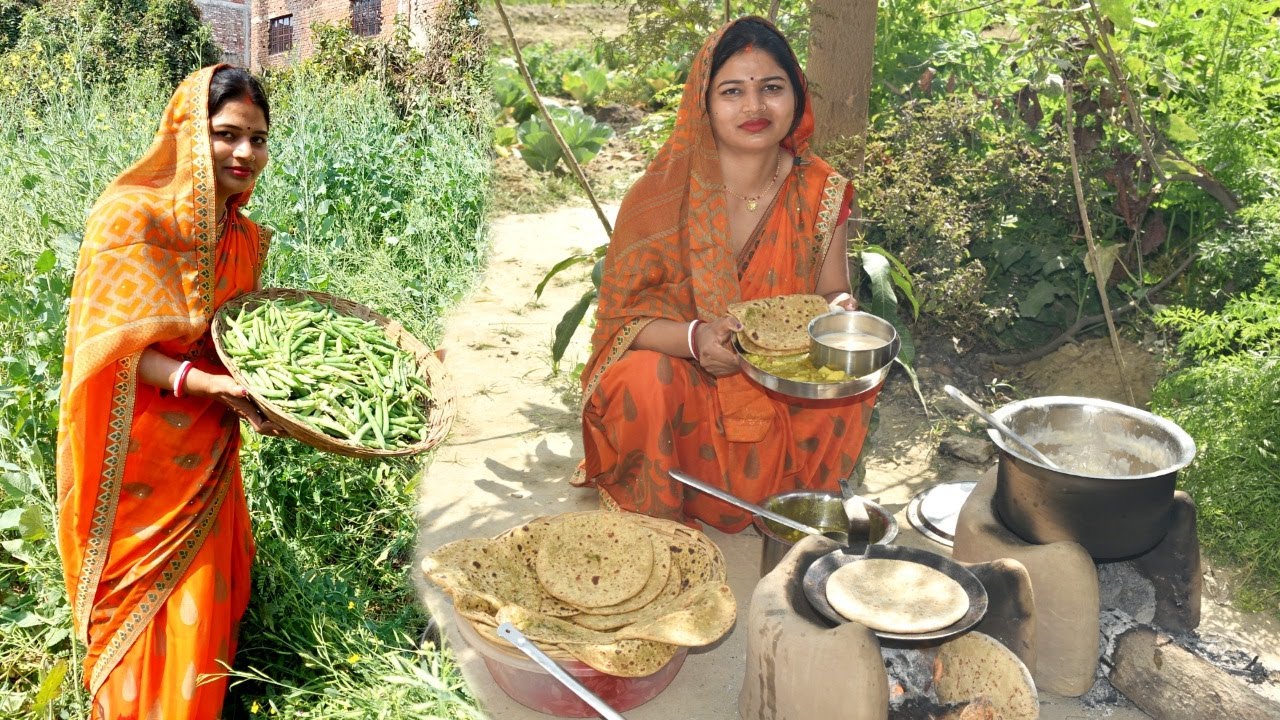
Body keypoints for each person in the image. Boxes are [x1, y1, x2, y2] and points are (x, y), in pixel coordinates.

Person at [575, 17, 882, 532]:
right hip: (685, 381)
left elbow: (832, 291)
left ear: (796, 96)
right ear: (704, 103)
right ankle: (658, 504)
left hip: (777, 383)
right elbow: (621, 324)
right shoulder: (659, 197)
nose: (754, 107)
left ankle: (788, 495)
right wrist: (696, 340)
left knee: (848, 380)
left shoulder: (820, 190)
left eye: (772, 88)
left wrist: (840, 313)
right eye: (733, 91)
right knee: (641, 379)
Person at [57, 65, 282, 719]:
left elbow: (236, 340)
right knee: (135, 596)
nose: (245, 152)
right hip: (135, 451)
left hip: (208, 439)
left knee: (199, 593)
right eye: (226, 133)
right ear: (188, 134)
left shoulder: (242, 236)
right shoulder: (133, 217)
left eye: (258, 139)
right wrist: (202, 381)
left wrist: (268, 391)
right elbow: (108, 350)